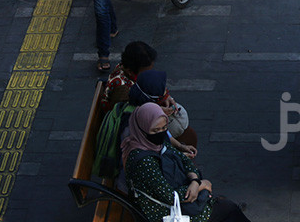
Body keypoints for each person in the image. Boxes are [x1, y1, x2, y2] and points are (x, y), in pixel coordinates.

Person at [122, 103, 250, 222]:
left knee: (225, 207)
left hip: (181, 201)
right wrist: (202, 185)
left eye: (164, 128)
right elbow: (171, 197)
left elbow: (185, 161)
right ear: (142, 129)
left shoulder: (156, 143)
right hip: (166, 213)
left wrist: (195, 181)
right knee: (228, 209)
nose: (161, 133)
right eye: (155, 130)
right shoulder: (143, 161)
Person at [101, 41, 156, 112]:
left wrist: (166, 96)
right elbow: (128, 114)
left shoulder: (124, 66)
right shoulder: (123, 90)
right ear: (130, 71)